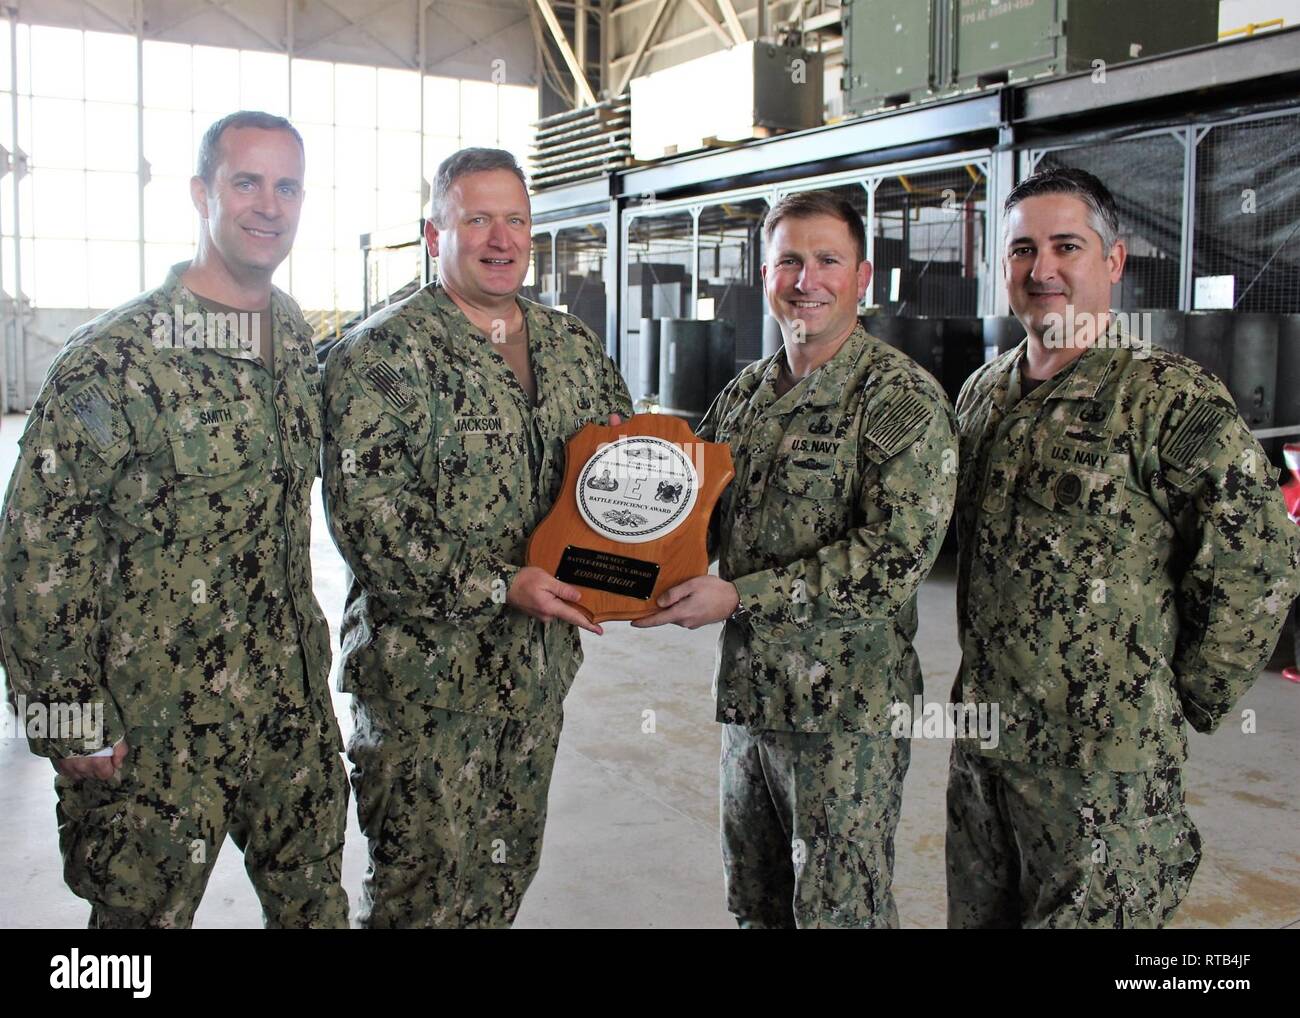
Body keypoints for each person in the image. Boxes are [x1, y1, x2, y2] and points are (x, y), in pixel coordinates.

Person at [0, 110, 348, 928]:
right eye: (246, 182)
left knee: (316, 912)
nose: (269, 205)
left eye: (287, 185)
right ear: (201, 193)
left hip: (288, 716)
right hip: (155, 735)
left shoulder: (293, 335)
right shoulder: (116, 359)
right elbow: (36, 552)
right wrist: (66, 721)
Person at [947, 165, 1299, 928]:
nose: (1042, 270)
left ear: (1113, 261)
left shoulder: (1168, 399)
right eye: (1021, 250)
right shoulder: (982, 393)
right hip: (985, 754)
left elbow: (1259, 562)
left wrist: (1177, 699)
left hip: (1104, 776)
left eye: (1066, 246)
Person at [322, 147, 632, 928]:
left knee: (500, 884)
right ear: (436, 234)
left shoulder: (571, 347)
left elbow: (621, 467)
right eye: (477, 219)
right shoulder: (384, 355)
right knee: (416, 898)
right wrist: (500, 584)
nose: (501, 238)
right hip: (424, 690)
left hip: (536, 679)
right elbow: (373, 518)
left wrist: (646, 564)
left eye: (516, 219)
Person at [634, 190, 957, 928]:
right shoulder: (746, 395)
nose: (806, 279)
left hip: (845, 717)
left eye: (827, 260)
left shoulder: (899, 400)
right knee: (755, 904)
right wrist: (615, 544)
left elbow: (891, 561)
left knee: (840, 911)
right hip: (751, 703)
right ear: (765, 273)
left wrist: (739, 596)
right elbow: (691, 515)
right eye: (789, 261)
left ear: (862, 277)